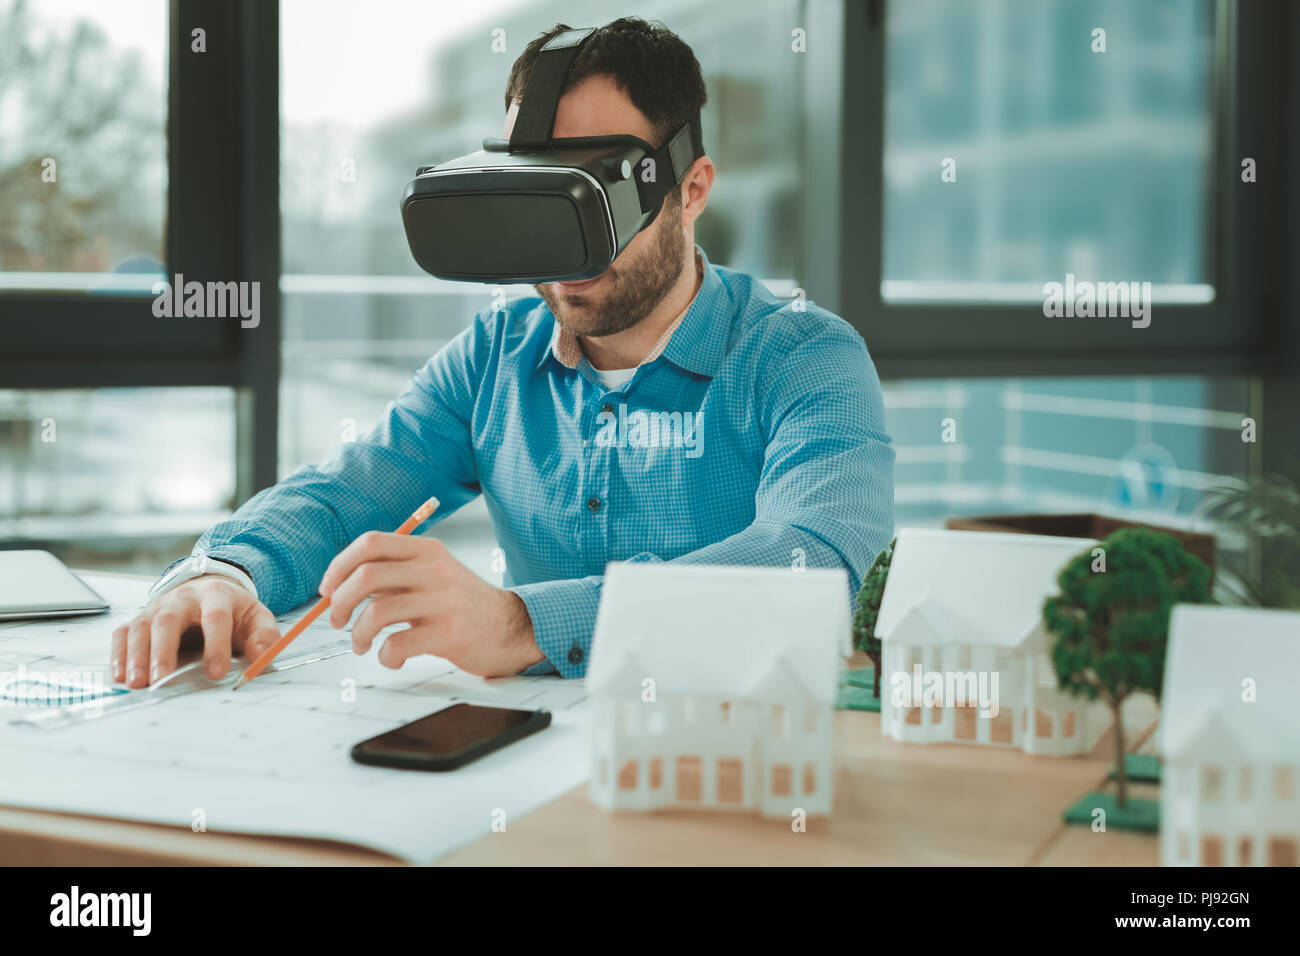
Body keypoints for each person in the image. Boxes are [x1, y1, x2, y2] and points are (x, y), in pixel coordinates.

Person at [110, 17, 894, 688]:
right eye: (549, 199)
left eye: (604, 196)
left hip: (727, 763)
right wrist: (222, 571)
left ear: (690, 189)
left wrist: (524, 625)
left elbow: (813, 566)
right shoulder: (495, 355)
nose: (573, 251)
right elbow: (345, 492)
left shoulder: (805, 358)